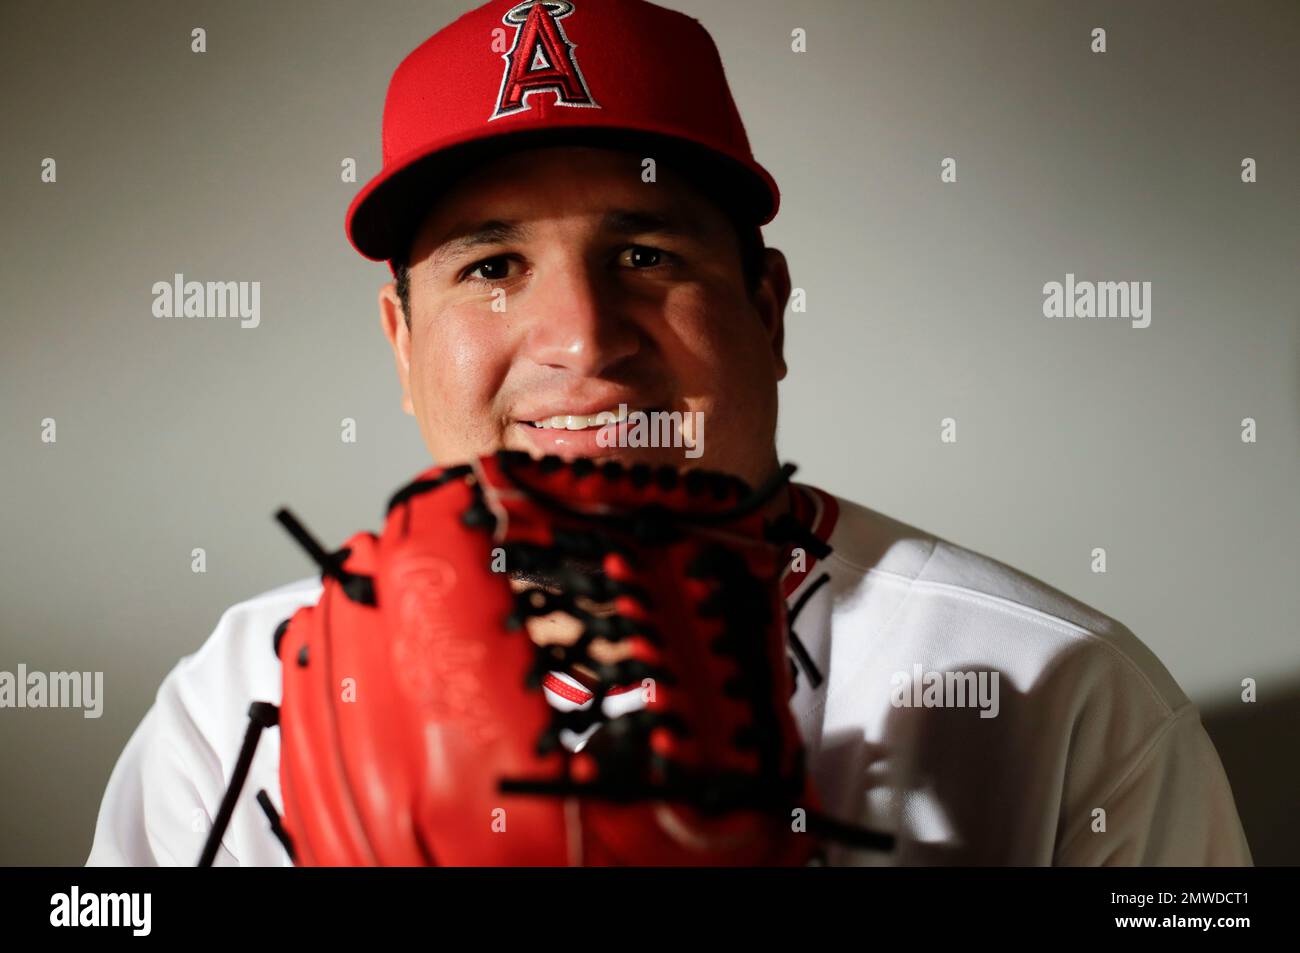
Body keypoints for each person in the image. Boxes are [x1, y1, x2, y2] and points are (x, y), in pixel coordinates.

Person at [87, 0, 1251, 866]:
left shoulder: (1058, 687)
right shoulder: (242, 694)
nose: (582, 339)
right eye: (491, 267)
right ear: (401, 342)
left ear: (767, 306)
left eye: (644, 254)